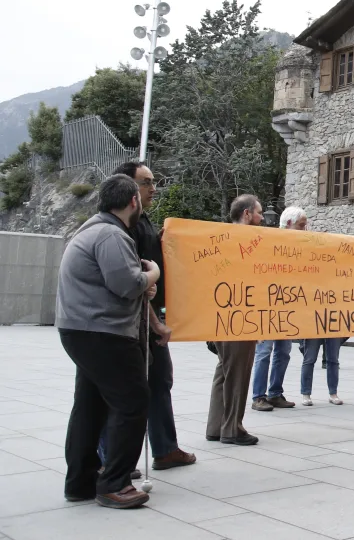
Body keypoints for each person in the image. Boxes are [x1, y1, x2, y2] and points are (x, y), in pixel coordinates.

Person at [56, 174, 159, 508]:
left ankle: (82, 481)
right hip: (104, 332)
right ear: (133, 201)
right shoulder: (111, 234)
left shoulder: (91, 229)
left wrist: (141, 282)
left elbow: (116, 281)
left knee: (90, 404)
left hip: (82, 329)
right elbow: (128, 285)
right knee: (132, 402)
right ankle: (114, 483)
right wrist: (152, 274)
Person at [108, 162, 196, 472]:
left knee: (160, 381)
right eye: (146, 182)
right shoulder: (122, 227)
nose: (153, 187)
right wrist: (155, 321)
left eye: (153, 181)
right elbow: (135, 282)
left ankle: (164, 448)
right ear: (128, 188)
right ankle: (115, 459)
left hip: (152, 319)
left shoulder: (141, 221)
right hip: (136, 322)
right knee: (126, 390)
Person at [206, 195, 264, 446]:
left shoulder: (219, 239)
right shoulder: (246, 242)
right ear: (248, 213)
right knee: (238, 372)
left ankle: (216, 425)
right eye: (260, 213)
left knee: (225, 370)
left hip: (222, 316)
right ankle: (232, 428)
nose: (263, 218)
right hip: (240, 315)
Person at [250, 206, 306, 412]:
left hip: (287, 305)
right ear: (289, 224)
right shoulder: (268, 241)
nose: (305, 229)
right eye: (302, 225)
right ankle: (258, 396)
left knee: (284, 351)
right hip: (267, 305)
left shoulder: (301, 246)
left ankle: (275, 393)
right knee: (264, 351)